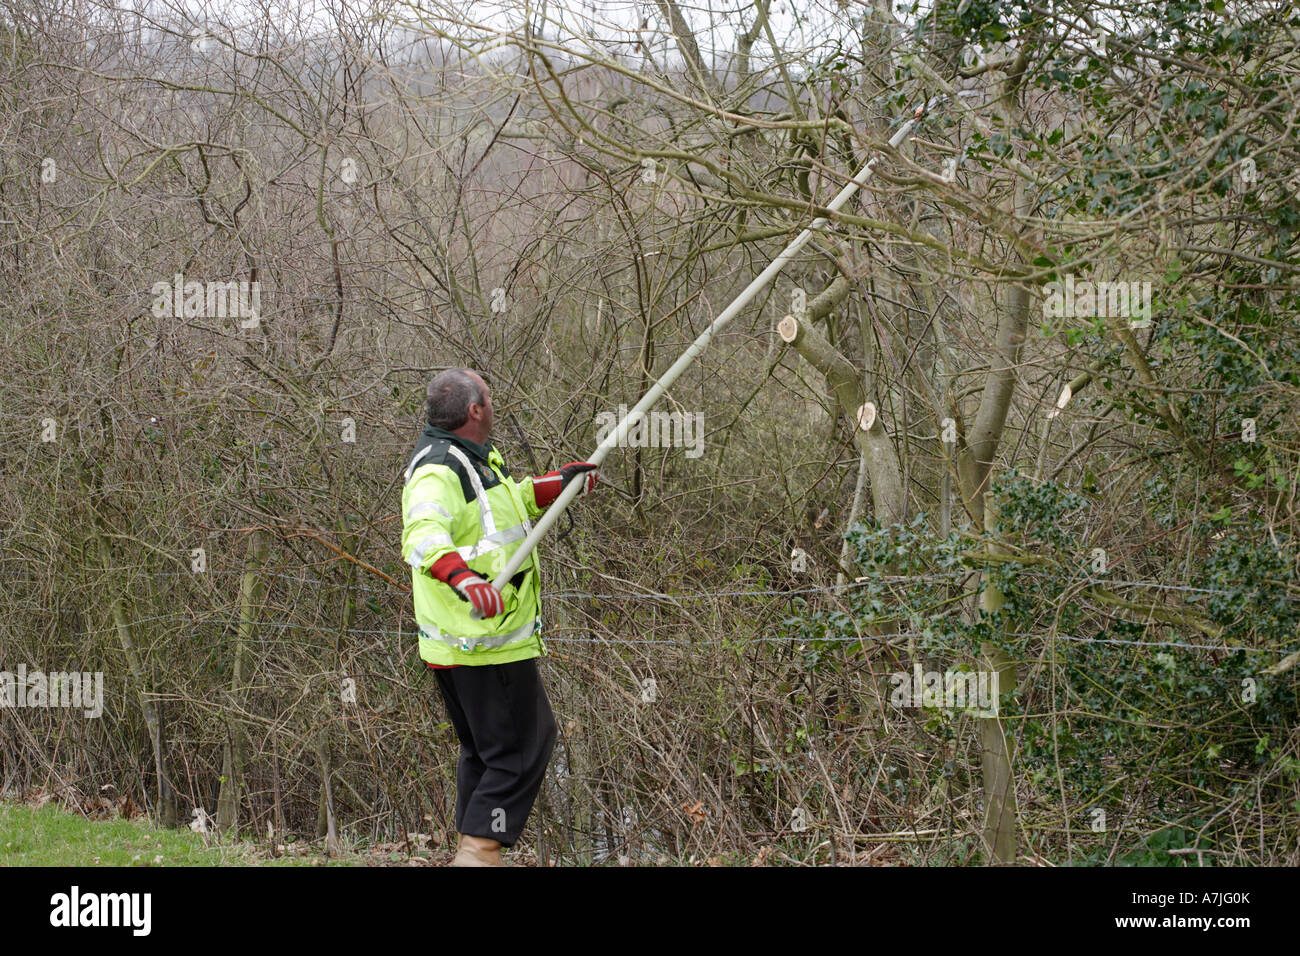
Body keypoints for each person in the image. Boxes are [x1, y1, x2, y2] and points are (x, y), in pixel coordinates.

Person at [400, 368, 599, 866]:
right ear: (475, 410)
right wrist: (465, 580)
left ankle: (472, 854)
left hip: (469, 646)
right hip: (480, 644)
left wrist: (558, 485)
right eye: (489, 397)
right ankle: (477, 856)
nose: (494, 405)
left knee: (486, 754)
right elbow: (423, 533)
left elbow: (503, 507)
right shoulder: (438, 469)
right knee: (522, 749)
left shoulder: (475, 459)